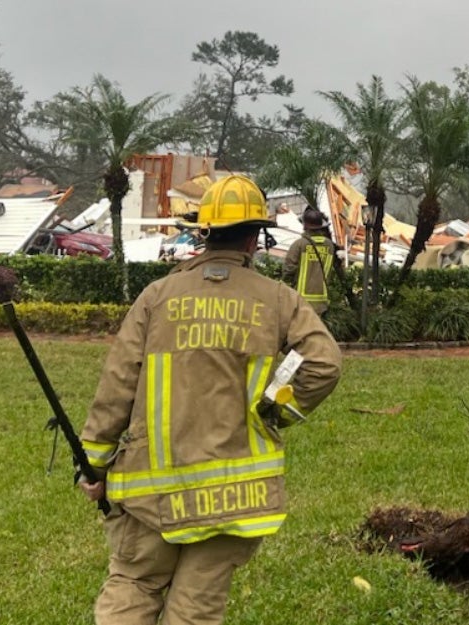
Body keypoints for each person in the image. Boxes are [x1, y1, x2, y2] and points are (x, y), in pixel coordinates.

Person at [77, 175, 343, 625]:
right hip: (233, 497)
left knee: (134, 585)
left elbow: (117, 386)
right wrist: (275, 410)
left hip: (150, 494)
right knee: (195, 611)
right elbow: (324, 363)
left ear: (204, 232)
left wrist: (95, 464)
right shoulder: (278, 300)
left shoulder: (157, 297)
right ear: (254, 238)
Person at [282, 207, 337, 315]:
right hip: (321, 301)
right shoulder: (329, 245)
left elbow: (289, 270)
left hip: (300, 300)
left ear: (305, 226)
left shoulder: (299, 244)